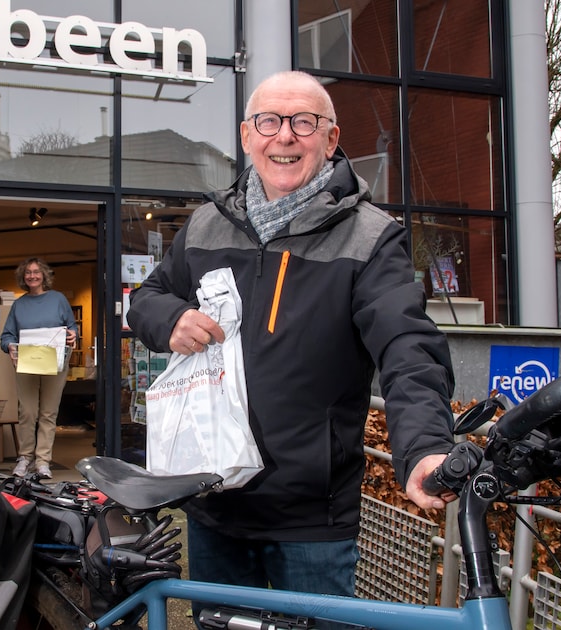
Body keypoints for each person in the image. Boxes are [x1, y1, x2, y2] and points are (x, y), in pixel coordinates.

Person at [127, 71, 457, 607]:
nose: (285, 136)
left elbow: (407, 346)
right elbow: (148, 296)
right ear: (246, 135)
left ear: (330, 140)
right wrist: (170, 319)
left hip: (311, 519)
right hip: (215, 501)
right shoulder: (208, 224)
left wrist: (422, 446)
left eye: (305, 122)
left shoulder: (371, 236)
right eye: (269, 121)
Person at [0, 257, 78, 479]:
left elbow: (71, 327)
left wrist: (73, 334)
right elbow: (6, 336)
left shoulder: (58, 299)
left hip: (55, 361)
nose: (32, 276)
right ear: (23, 277)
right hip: (27, 361)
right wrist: (9, 346)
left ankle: (43, 461)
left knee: (48, 413)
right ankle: (25, 458)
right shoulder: (19, 304)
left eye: (36, 272)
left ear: (44, 275)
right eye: (27, 273)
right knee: (28, 412)